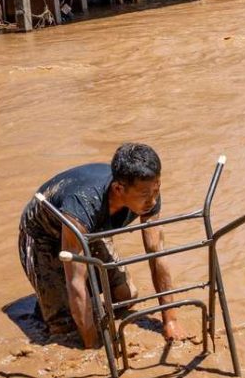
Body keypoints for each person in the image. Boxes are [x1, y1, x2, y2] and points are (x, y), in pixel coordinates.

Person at [18, 143, 184, 348]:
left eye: (157, 190)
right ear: (118, 189)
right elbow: (76, 280)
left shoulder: (149, 195)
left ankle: (63, 302)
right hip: (43, 235)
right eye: (144, 194)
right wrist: (94, 345)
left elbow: (157, 253)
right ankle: (53, 305)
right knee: (64, 328)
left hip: (93, 229)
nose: (153, 200)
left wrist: (170, 320)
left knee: (126, 296)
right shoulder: (82, 204)